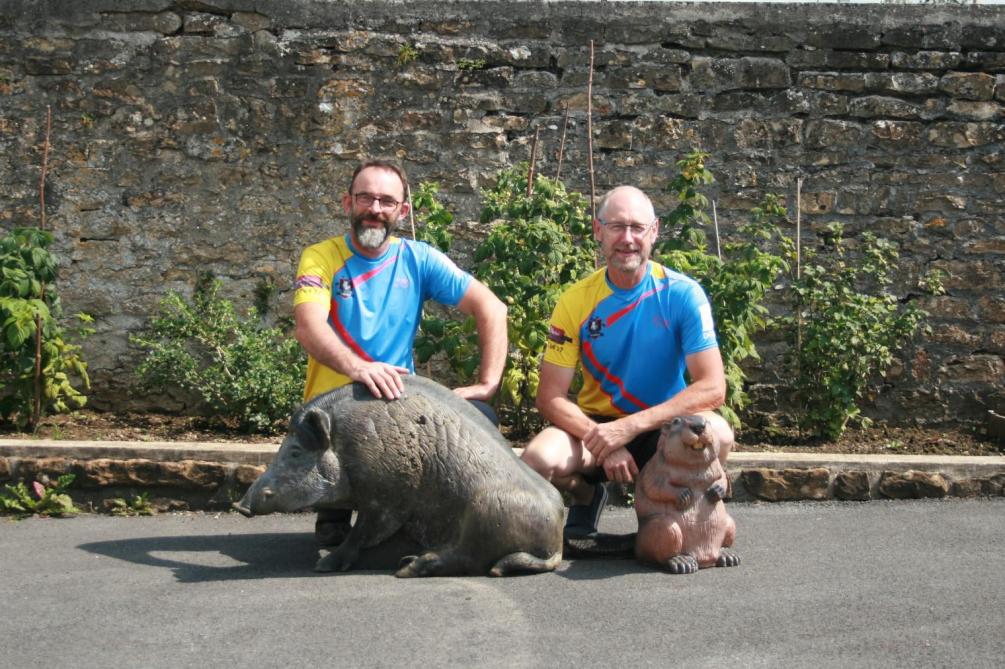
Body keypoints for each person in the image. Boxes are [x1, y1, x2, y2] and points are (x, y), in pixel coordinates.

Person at [293, 160, 508, 544]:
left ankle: (451, 515)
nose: (375, 209)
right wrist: (359, 368)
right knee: (332, 541)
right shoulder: (320, 258)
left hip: (396, 403)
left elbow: (492, 308)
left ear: (402, 211)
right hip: (332, 411)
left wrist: (488, 383)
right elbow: (309, 326)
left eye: (386, 201)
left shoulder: (419, 258)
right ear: (347, 202)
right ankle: (335, 510)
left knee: (481, 417)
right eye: (365, 198)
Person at [520, 185, 732, 541]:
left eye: (638, 227)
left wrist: (630, 427)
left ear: (655, 232)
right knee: (537, 460)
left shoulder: (682, 294)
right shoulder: (574, 301)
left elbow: (713, 387)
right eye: (617, 227)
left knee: (719, 435)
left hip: (666, 425)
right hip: (595, 428)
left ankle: (681, 514)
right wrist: (607, 440)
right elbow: (550, 397)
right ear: (598, 231)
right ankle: (587, 495)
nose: (628, 238)